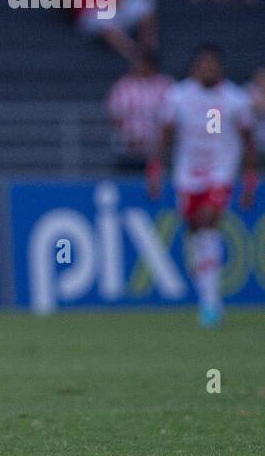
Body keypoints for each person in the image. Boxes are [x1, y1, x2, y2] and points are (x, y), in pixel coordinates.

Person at [149, 44, 256, 328]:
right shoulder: (178, 96)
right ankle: (207, 294)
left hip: (220, 174)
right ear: (195, 67)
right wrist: (155, 169)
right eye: (202, 64)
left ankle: (210, 305)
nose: (207, 69)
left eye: (212, 64)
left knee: (208, 220)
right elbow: (165, 135)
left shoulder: (236, 100)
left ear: (220, 67)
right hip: (187, 177)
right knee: (196, 230)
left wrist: (249, 180)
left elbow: (249, 142)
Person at [106, 50, 173, 171]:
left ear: (152, 64)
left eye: (144, 62)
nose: (141, 66)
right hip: (129, 147)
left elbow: (171, 117)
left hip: (159, 149)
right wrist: (130, 137)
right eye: (138, 62)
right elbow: (115, 115)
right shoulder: (122, 86)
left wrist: (160, 143)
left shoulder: (165, 85)